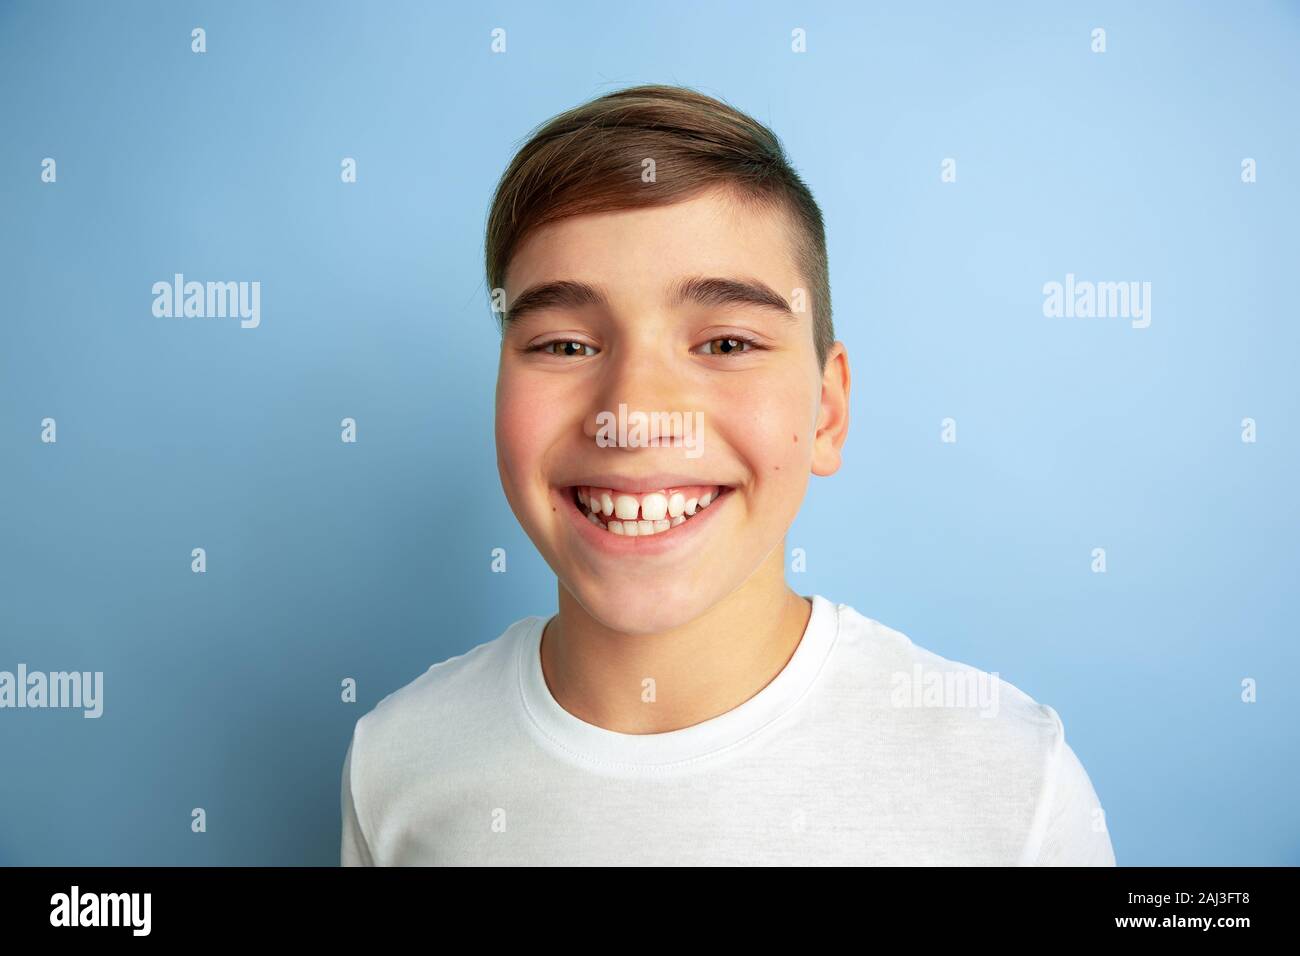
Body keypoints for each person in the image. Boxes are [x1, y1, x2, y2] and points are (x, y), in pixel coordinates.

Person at [341, 84, 1115, 866]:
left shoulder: (1011, 784)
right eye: (567, 345)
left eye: (726, 344)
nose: (634, 417)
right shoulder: (397, 763)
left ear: (827, 412)